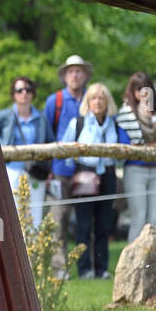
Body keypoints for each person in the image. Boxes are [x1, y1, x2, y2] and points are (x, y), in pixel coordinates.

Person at [63, 82, 129, 279]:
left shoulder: (115, 124)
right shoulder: (78, 123)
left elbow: (124, 153)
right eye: (94, 98)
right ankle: (84, 269)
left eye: (101, 97)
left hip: (107, 174)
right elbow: (65, 151)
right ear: (88, 102)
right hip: (85, 174)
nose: (98, 102)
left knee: (103, 225)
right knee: (83, 225)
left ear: (107, 102)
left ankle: (101, 269)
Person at [116, 72, 156, 242]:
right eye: (138, 88)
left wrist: (154, 119)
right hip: (135, 170)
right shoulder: (125, 114)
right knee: (138, 218)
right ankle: (132, 263)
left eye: (146, 88)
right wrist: (155, 146)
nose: (143, 92)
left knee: (153, 220)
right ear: (132, 91)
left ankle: (151, 262)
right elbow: (129, 147)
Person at [45, 55, 92, 238]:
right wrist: (48, 168)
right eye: (70, 71)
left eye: (78, 71)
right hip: (59, 171)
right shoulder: (54, 101)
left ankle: (87, 266)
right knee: (58, 221)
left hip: (87, 170)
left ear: (85, 75)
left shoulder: (93, 99)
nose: (74, 75)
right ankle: (59, 267)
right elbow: (46, 137)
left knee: (87, 222)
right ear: (64, 76)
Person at [0, 77, 53, 227]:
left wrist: (49, 170)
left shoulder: (41, 118)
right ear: (13, 94)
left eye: (28, 89)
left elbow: (50, 143)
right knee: (13, 214)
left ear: (33, 93)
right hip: (12, 170)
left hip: (35, 172)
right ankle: (14, 250)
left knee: (35, 215)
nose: (24, 93)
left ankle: (32, 250)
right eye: (19, 90)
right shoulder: (5, 116)